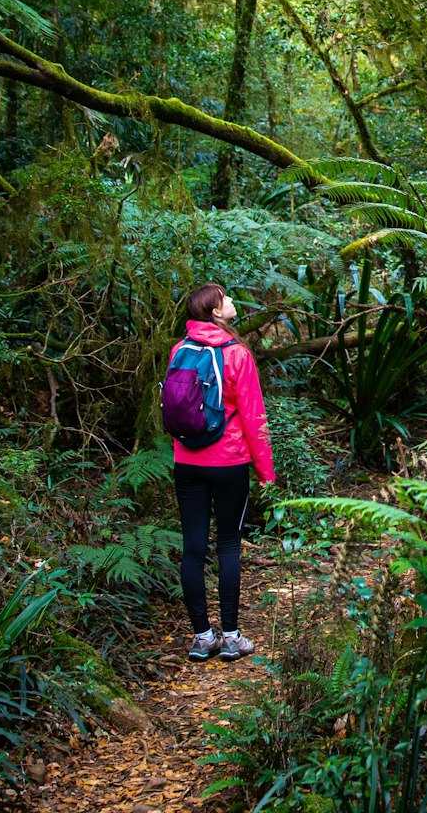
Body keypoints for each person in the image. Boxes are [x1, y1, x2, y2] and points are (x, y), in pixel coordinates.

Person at [170, 283, 275, 660]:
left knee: (193, 549)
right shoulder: (237, 355)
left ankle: (202, 637)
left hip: (187, 462)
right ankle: (230, 637)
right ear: (215, 312)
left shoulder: (179, 350)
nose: (231, 302)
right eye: (226, 298)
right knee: (229, 544)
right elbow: (253, 416)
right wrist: (266, 471)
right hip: (229, 462)